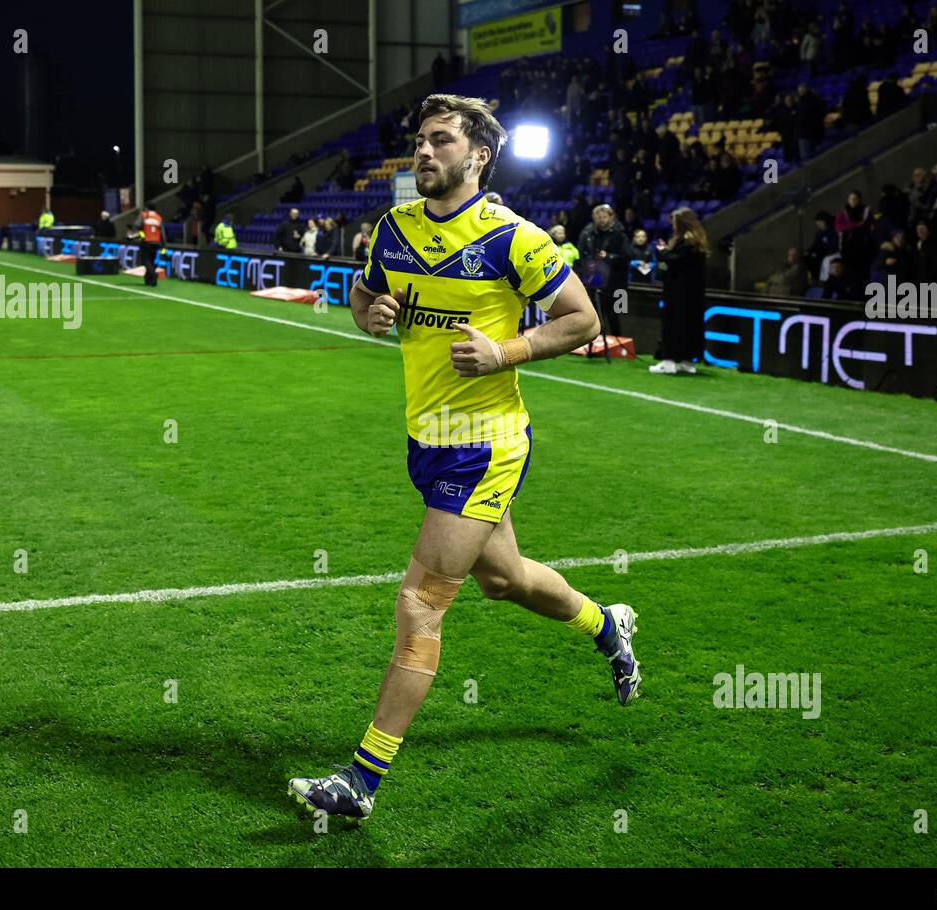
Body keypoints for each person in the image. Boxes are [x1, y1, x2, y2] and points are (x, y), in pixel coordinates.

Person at [290, 93, 641, 824]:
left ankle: (360, 783)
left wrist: (504, 350)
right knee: (505, 579)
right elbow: (364, 297)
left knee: (419, 604)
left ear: (478, 157)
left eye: (441, 140)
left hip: (485, 445)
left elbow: (583, 320)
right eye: (419, 141)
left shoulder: (515, 238)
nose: (423, 152)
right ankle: (608, 626)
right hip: (427, 438)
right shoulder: (394, 228)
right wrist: (369, 313)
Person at [650, 206, 708, 374]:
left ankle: (668, 361)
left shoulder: (686, 241)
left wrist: (661, 253)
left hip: (677, 292)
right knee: (690, 326)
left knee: (673, 324)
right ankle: (687, 361)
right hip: (693, 293)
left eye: (675, 222)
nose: (673, 226)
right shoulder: (697, 240)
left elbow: (672, 263)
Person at [576, 203, 633, 334]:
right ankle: (596, 343)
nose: (601, 219)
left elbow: (627, 256)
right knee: (595, 313)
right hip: (595, 280)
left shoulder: (620, 234)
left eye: (604, 216)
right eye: (598, 217)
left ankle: (618, 343)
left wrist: (608, 257)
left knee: (616, 313)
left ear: (611, 217)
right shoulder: (587, 233)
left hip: (617, 282)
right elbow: (582, 253)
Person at [137, 202, 162, 287]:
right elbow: (162, 233)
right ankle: (149, 281)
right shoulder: (159, 217)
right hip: (156, 242)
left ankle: (153, 274)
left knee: (146, 261)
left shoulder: (144, 215)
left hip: (146, 241)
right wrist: (163, 245)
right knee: (151, 261)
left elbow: (137, 225)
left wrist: (141, 235)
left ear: (147, 208)